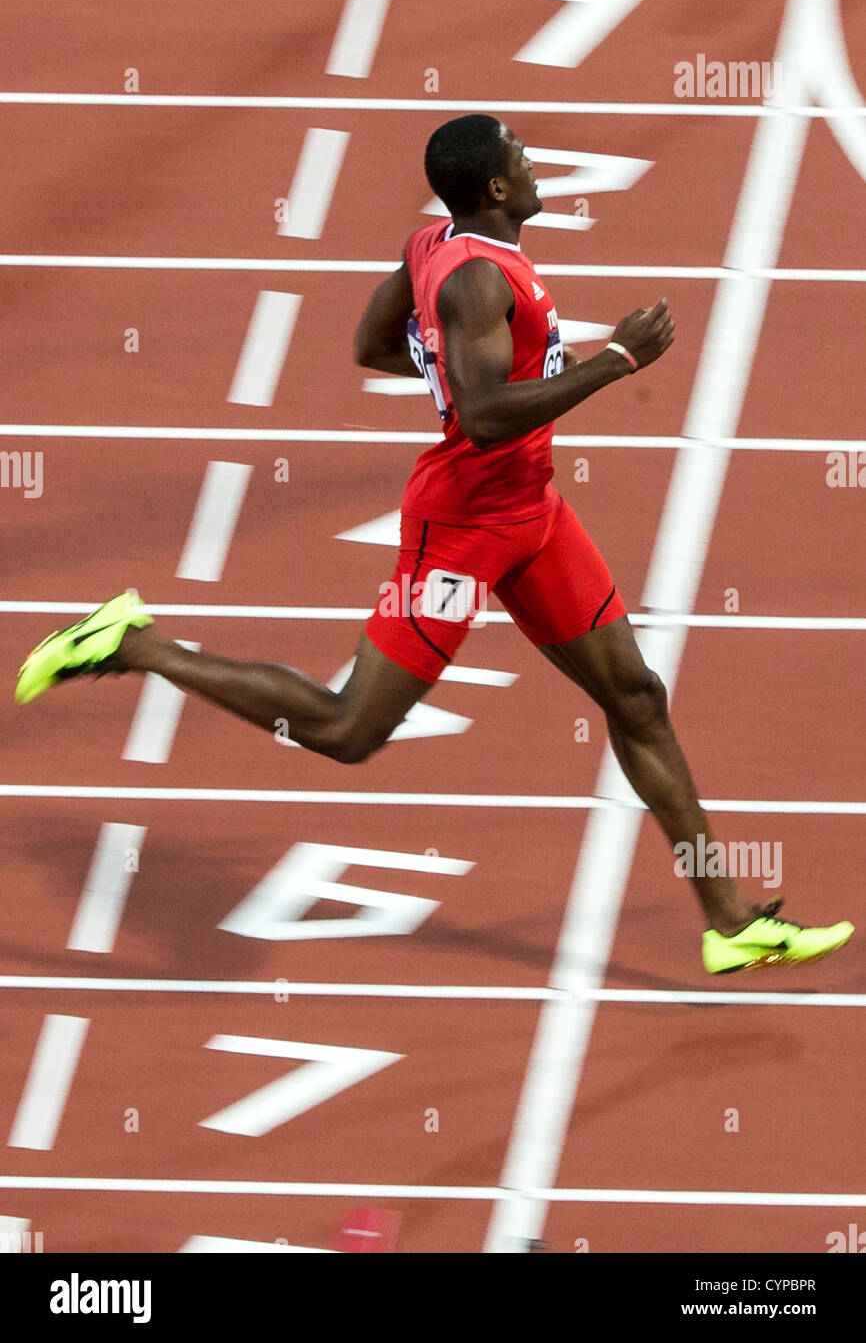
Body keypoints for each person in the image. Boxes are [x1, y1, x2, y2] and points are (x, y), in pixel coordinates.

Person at [15, 114, 852, 974]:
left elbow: (371, 344)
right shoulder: (477, 281)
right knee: (348, 730)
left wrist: (451, 379)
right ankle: (134, 643)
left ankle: (730, 919)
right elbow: (486, 420)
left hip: (533, 516)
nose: (535, 166)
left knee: (636, 695)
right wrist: (615, 362)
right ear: (495, 189)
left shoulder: (432, 245)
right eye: (523, 158)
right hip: (460, 532)